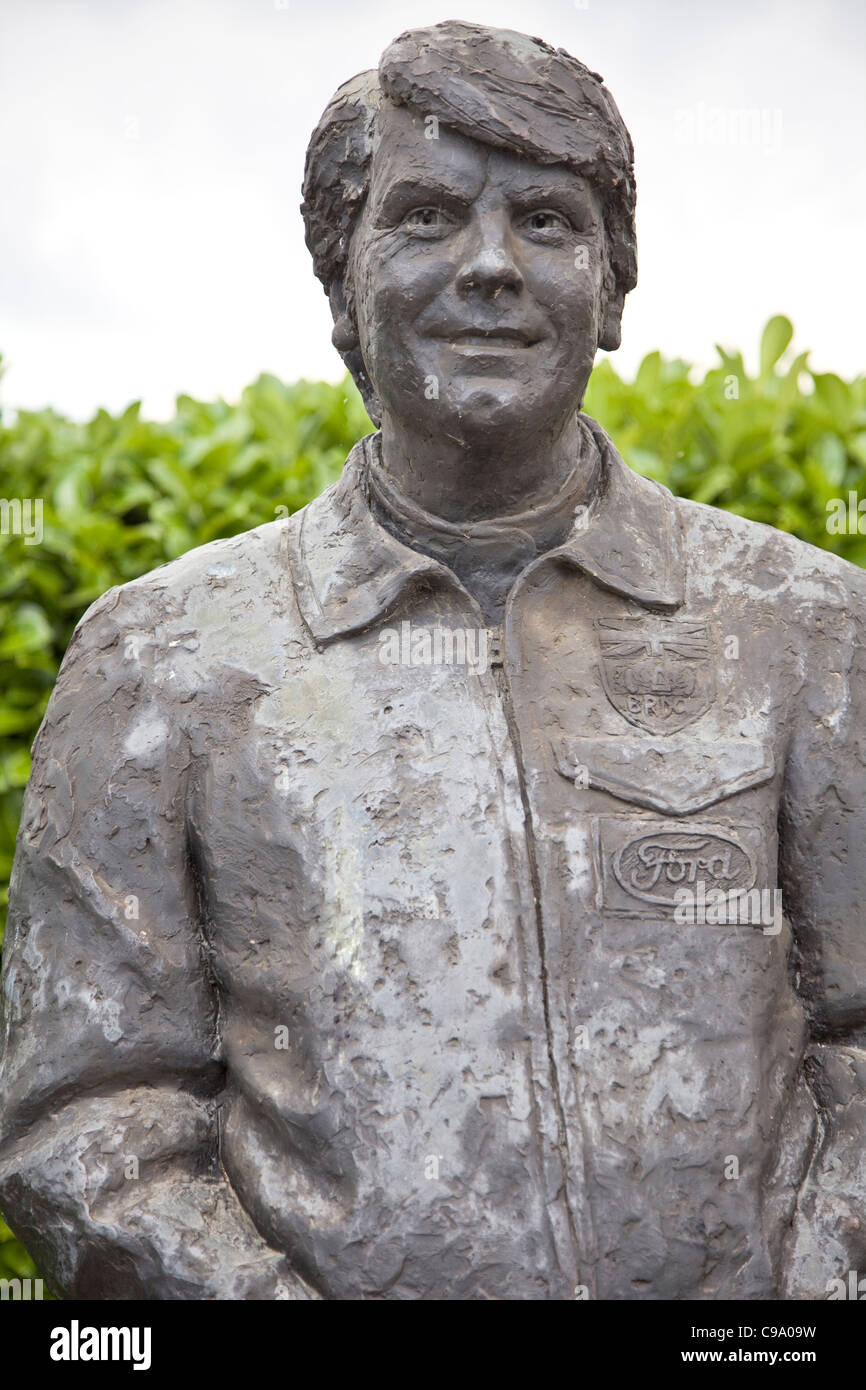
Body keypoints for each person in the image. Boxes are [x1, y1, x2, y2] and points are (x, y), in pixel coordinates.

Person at [1, 20, 864, 1301]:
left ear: (613, 282)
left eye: (549, 221)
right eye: (424, 217)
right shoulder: (161, 661)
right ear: (338, 281)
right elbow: (86, 1115)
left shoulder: (807, 628)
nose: (491, 267)